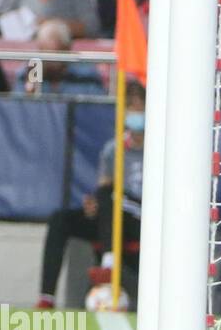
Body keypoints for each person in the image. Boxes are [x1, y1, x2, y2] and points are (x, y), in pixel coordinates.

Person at [37, 80, 145, 309]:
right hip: (113, 215)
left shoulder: (161, 147)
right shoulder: (113, 149)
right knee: (61, 219)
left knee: (112, 197)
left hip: (142, 218)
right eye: (130, 107)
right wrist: (94, 205)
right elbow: (104, 188)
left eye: (138, 107)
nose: (134, 113)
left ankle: (109, 262)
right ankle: (47, 296)